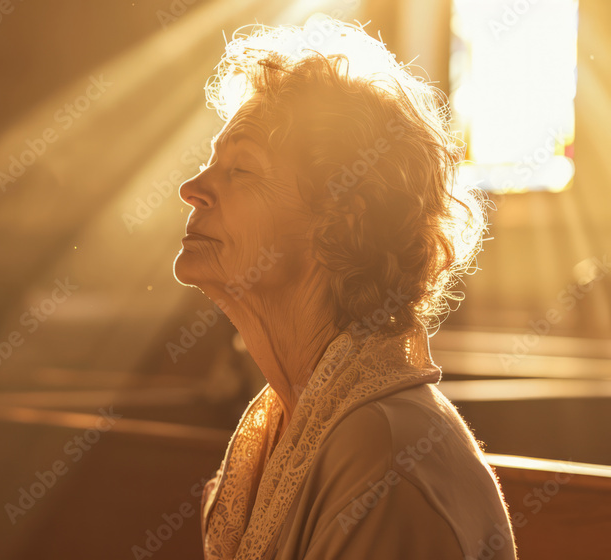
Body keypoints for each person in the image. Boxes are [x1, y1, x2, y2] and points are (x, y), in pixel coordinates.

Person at [172, 15, 516, 560]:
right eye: (210, 163)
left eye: (242, 169)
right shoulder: (286, 425)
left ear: (340, 223)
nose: (193, 189)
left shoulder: (384, 455)